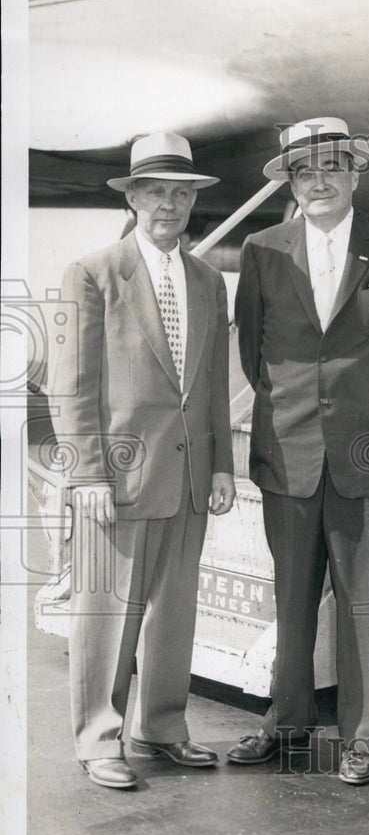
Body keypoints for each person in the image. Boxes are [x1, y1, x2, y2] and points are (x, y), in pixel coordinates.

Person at [230, 117, 369, 785]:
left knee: (365, 603)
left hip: (368, 456)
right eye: (304, 171)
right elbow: (255, 353)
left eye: (332, 167)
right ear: (292, 181)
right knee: (290, 598)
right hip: (289, 454)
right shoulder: (261, 249)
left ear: (354, 173)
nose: (319, 180)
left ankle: (362, 737)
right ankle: (285, 723)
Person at [48, 132, 236, 790]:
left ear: (193, 202)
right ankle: (99, 737)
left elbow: (212, 380)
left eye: (181, 193)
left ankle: (161, 725)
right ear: (132, 198)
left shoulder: (209, 279)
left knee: (175, 608)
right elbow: (70, 385)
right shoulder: (92, 273)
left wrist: (220, 467)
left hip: (187, 475)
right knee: (107, 610)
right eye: (155, 191)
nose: (169, 203)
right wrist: (86, 474)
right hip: (117, 477)